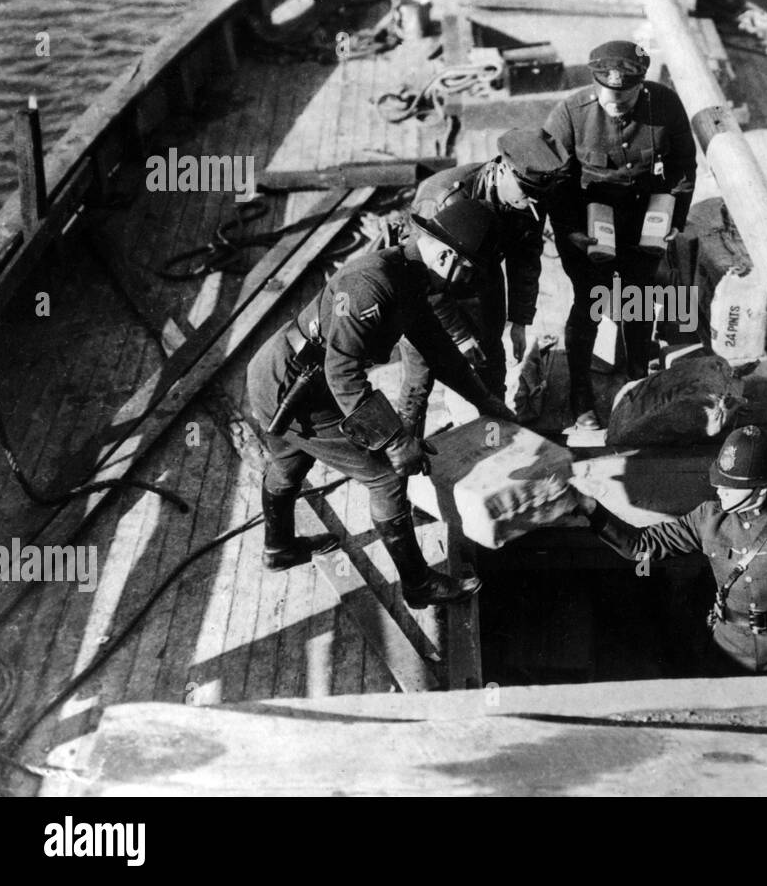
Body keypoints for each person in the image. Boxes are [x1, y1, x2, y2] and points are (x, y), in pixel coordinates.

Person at [247, 198, 514, 608]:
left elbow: (436, 348)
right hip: (297, 390)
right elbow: (345, 377)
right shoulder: (369, 286)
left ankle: (278, 549)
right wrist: (395, 441)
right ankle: (419, 586)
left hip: (285, 377)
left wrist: (484, 399)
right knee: (386, 477)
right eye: (470, 273)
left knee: (290, 461)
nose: (469, 285)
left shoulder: (409, 275)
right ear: (445, 255)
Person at [569, 425, 767, 673]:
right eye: (720, 480)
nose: (719, 488)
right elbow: (642, 547)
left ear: (761, 487)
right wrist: (590, 508)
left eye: (731, 484)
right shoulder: (707, 518)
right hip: (729, 655)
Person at [544, 40, 697, 429]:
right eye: (610, 95)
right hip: (587, 225)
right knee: (590, 304)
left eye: (627, 96)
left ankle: (636, 382)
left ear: (641, 86)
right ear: (595, 83)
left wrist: (673, 215)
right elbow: (552, 182)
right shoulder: (570, 114)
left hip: (643, 222)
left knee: (639, 300)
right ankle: (580, 392)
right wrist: (569, 231)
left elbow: (683, 165)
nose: (618, 102)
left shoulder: (664, 105)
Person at [397, 128, 569, 433]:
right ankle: (407, 457)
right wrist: (460, 336)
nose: (531, 203)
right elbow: (419, 281)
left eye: (537, 197)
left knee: (491, 372)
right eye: (525, 192)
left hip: (482, 283)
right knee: (419, 382)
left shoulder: (529, 198)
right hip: (427, 294)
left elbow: (525, 261)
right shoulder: (442, 199)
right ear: (502, 167)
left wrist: (520, 321)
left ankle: (493, 448)